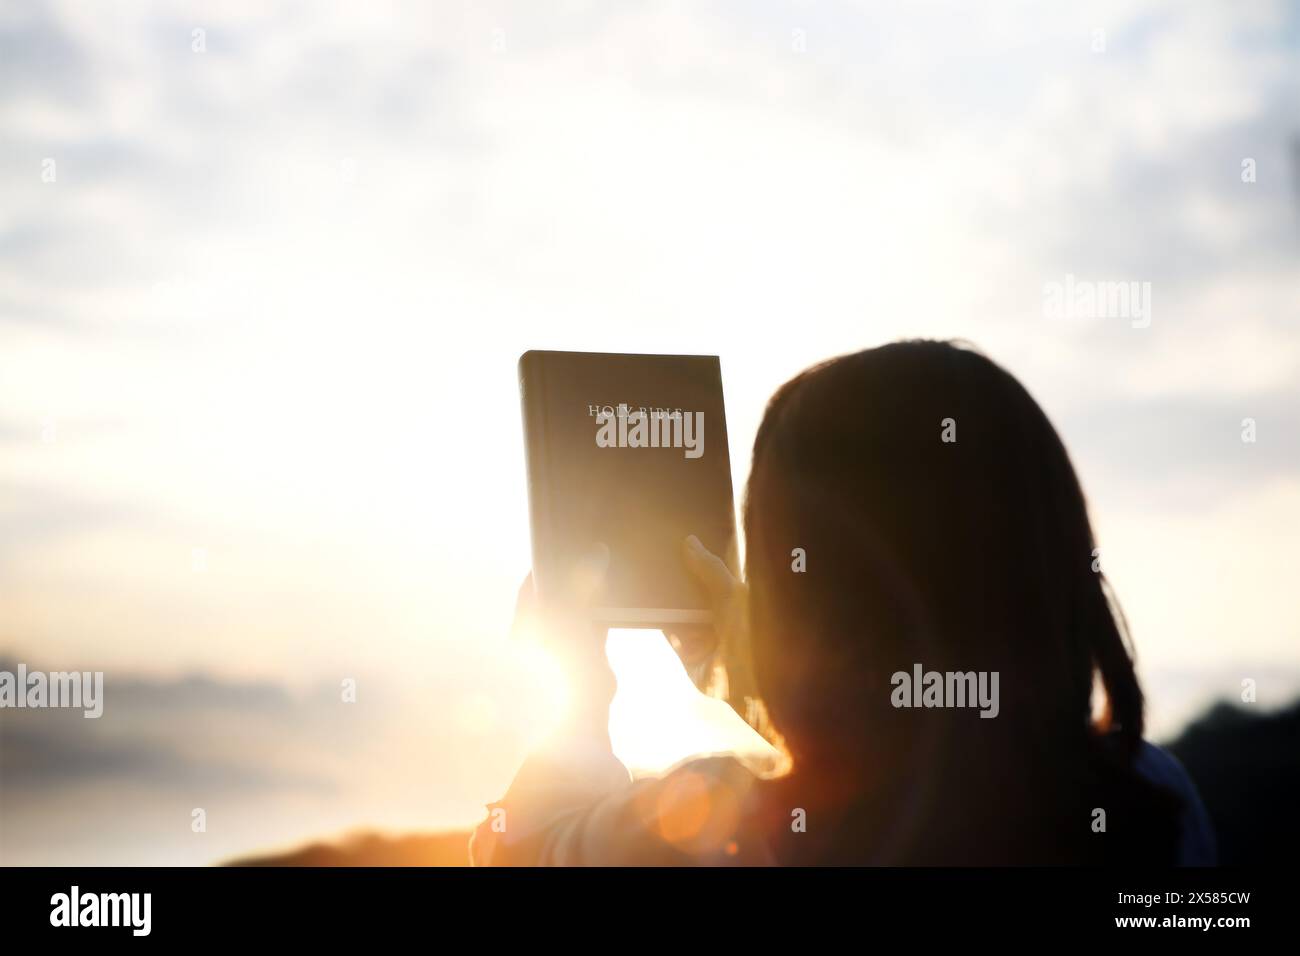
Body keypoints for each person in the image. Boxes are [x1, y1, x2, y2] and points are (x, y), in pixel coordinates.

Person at [472, 340, 1216, 866]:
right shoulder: (1152, 800)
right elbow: (924, 743)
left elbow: (526, 850)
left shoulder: (719, 830)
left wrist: (576, 695)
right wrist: (748, 670)